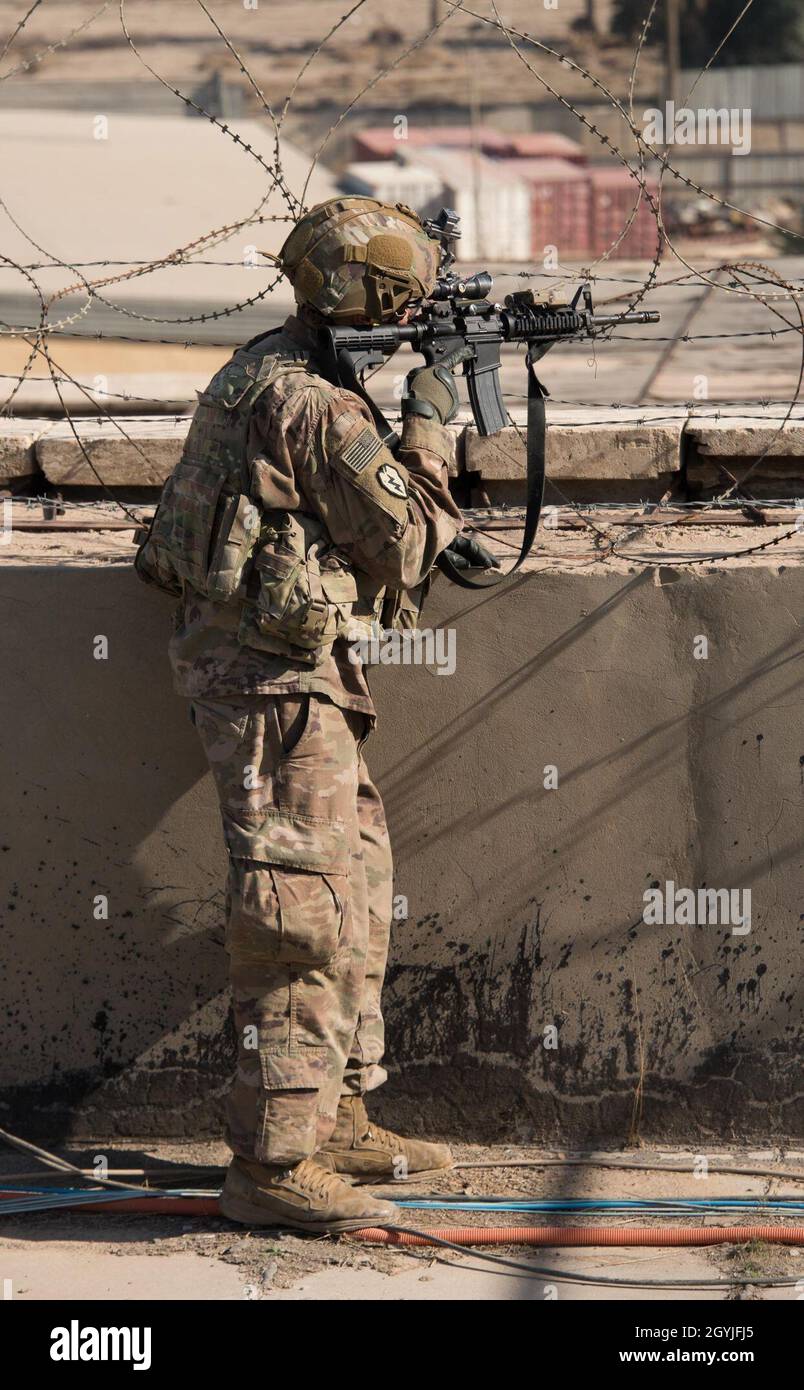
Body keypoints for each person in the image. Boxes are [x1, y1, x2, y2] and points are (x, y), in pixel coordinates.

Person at [135, 197, 495, 1231]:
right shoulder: (318, 409)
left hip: (286, 678)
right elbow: (410, 542)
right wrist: (431, 410)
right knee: (301, 917)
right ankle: (274, 1164)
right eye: (406, 299)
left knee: (358, 879)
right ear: (369, 298)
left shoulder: (281, 362)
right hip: (274, 690)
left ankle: (330, 1111)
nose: (417, 310)